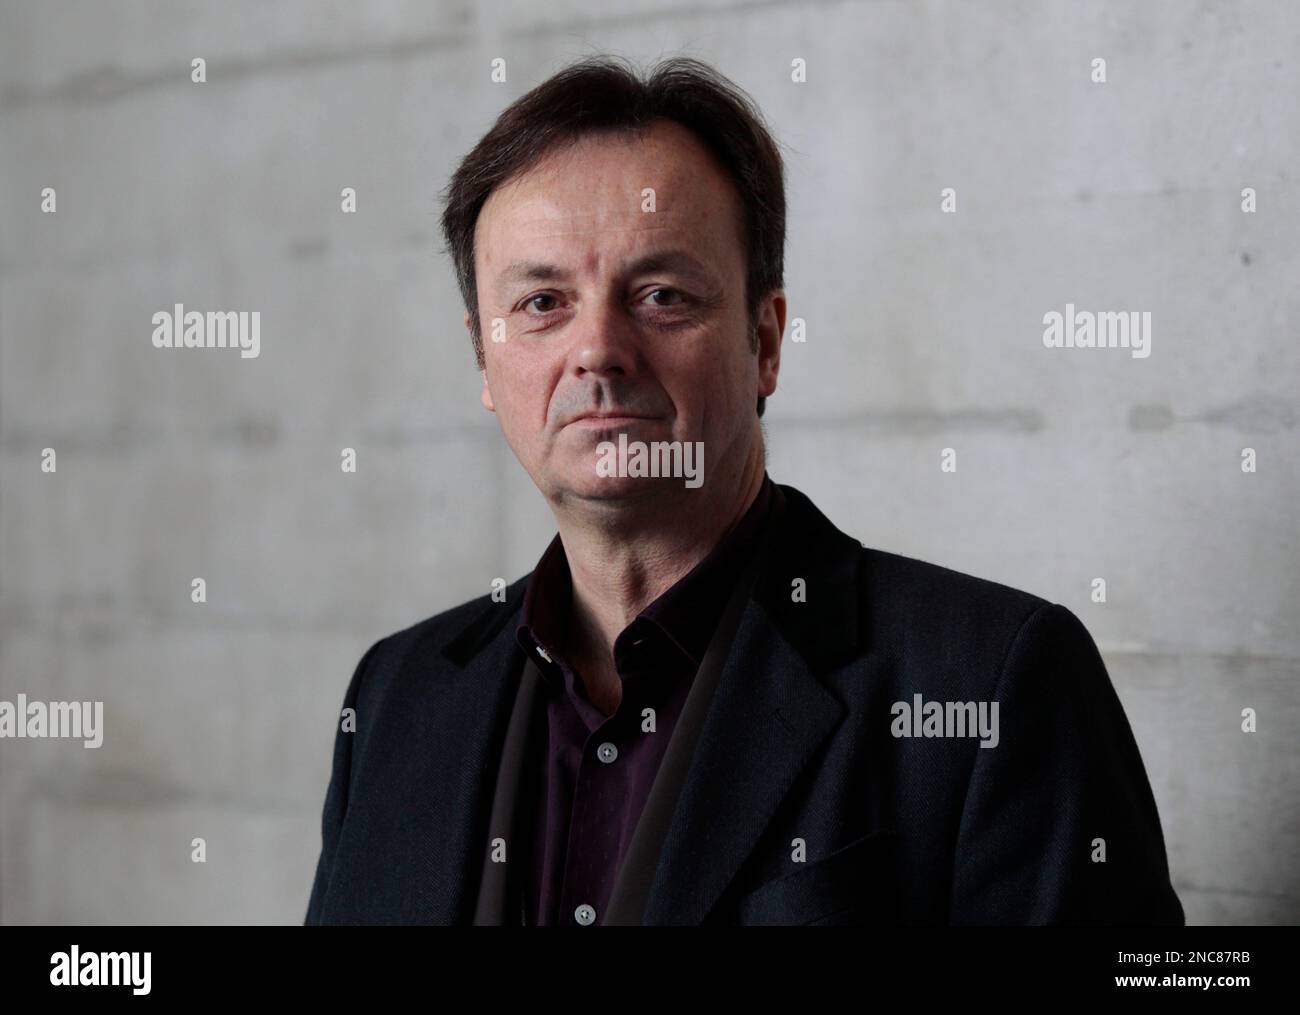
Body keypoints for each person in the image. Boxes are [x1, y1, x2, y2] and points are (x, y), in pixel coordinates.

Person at [305, 55, 1183, 926]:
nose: (598, 348)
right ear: (484, 360)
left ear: (765, 341)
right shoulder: (397, 696)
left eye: (660, 294)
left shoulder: (993, 685)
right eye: (541, 302)